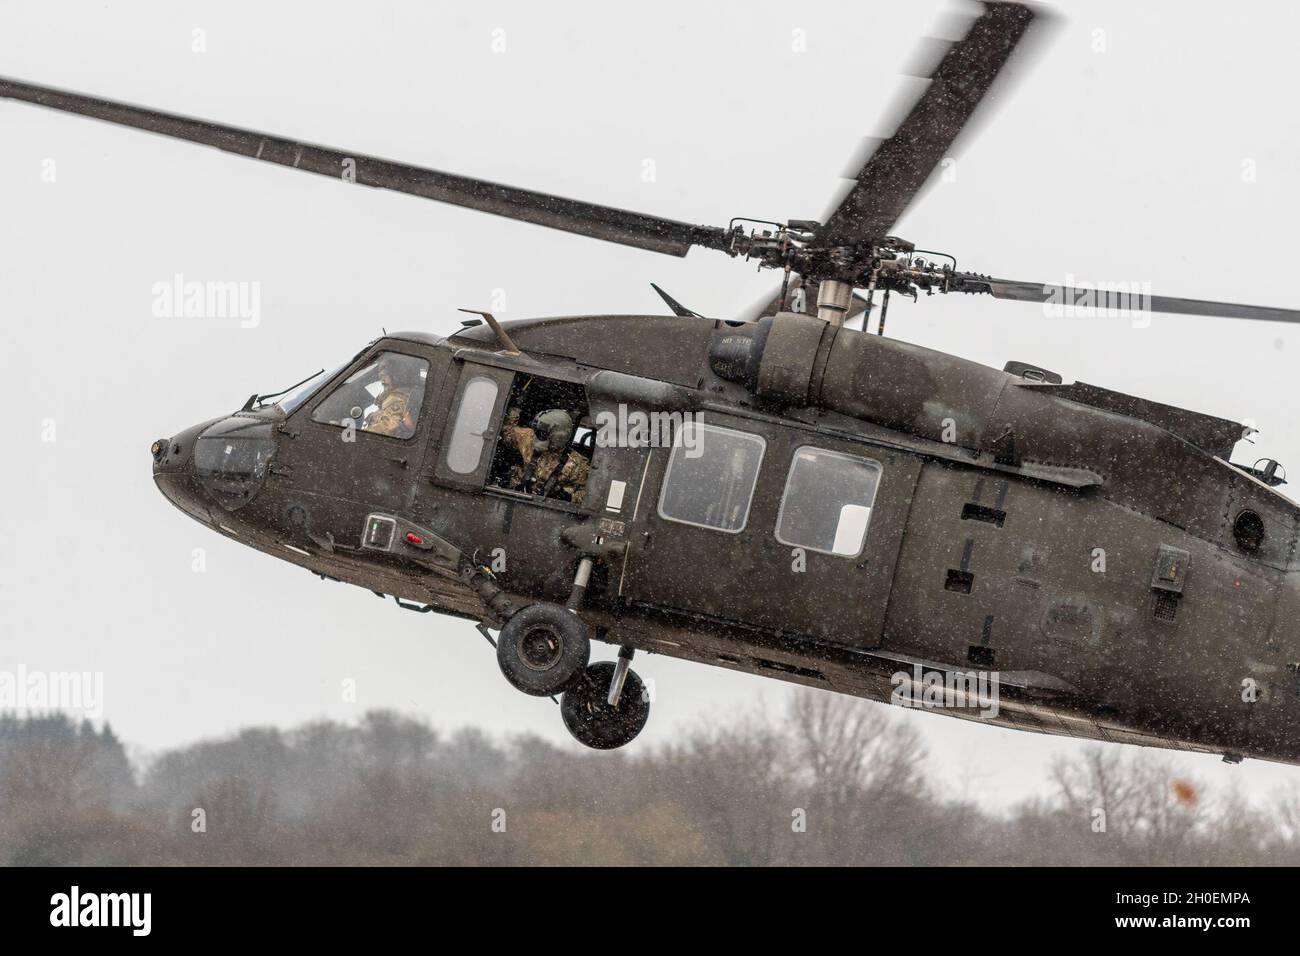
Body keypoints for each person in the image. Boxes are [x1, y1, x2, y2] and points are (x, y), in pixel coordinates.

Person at [500, 407, 589, 504]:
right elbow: (506, 431)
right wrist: (516, 407)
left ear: (559, 438)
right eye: (538, 432)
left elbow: (587, 497)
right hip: (515, 499)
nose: (537, 438)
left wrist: (566, 497)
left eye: (544, 435)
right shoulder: (528, 436)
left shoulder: (578, 464)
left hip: (547, 509)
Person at [364, 356, 418, 438]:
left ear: (396, 375)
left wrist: (359, 435)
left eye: (385, 375)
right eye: (380, 375)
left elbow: (387, 428)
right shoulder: (391, 397)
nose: (382, 379)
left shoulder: (397, 398)